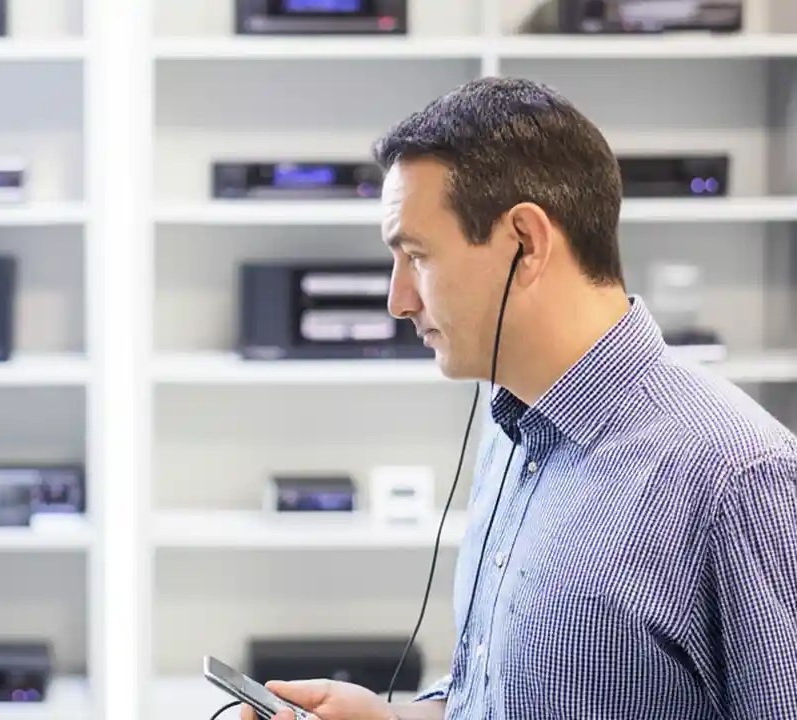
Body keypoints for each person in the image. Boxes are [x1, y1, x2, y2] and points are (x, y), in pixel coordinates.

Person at [242, 77, 797, 720]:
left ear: (525, 244)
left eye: (416, 256)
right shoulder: (508, 430)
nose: (399, 301)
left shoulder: (743, 477)